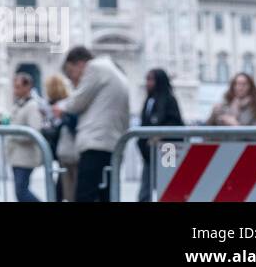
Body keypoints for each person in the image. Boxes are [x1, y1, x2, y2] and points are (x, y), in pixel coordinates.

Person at [52, 46, 130, 202]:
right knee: (105, 195)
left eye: (71, 73)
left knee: (84, 196)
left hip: (96, 143)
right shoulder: (113, 70)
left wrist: (60, 106)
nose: (74, 81)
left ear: (80, 64)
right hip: (111, 143)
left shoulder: (95, 68)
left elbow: (77, 102)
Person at [137, 68, 184, 202]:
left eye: (151, 79)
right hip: (149, 152)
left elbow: (175, 123)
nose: (148, 83)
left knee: (167, 187)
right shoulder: (149, 100)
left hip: (166, 150)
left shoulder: (169, 100)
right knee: (145, 191)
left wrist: (160, 135)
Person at [6, 71, 44, 202]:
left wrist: (13, 134)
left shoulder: (32, 106)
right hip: (16, 156)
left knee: (21, 191)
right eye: (14, 86)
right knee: (20, 191)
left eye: (18, 87)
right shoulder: (19, 104)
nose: (15, 90)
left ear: (27, 87)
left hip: (25, 157)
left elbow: (34, 130)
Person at [43, 74, 78, 201]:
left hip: (69, 151)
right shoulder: (54, 105)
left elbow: (70, 125)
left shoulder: (66, 105)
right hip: (63, 151)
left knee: (67, 189)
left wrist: (60, 116)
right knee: (62, 188)